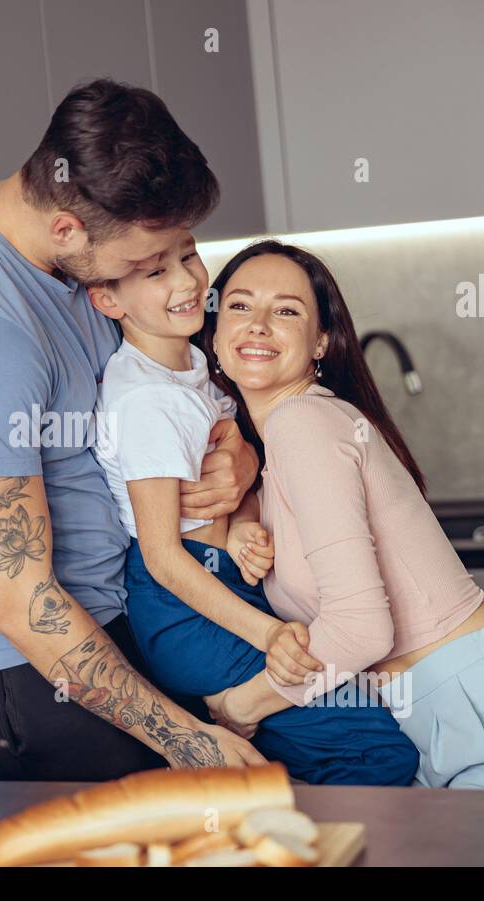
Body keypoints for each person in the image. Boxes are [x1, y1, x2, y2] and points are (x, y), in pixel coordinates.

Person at [0, 80, 264, 780]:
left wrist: (234, 452)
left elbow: (176, 390)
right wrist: (184, 740)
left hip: (129, 617)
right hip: (32, 671)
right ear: (68, 229)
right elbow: (20, 601)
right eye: (141, 266)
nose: (160, 277)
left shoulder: (76, 252)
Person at [199, 240, 484, 854]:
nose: (258, 324)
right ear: (215, 331)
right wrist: (240, 519)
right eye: (239, 305)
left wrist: (239, 706)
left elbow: (362, 629)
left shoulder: (304, 424)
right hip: (444, 714)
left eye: (286, 311)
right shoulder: (287, 440)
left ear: (322, 342)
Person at [87, 229, 420, 785]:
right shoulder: (148, 400)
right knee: (373, 751)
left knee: (312, 752)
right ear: (108, 300)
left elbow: (230, 484)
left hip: (218, 588)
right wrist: (267, 634)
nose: (187, 280)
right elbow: (164, 556)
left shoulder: (192, 368)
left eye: (188, 256)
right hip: (184, 606)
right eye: (155, 272)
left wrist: (242, 524)